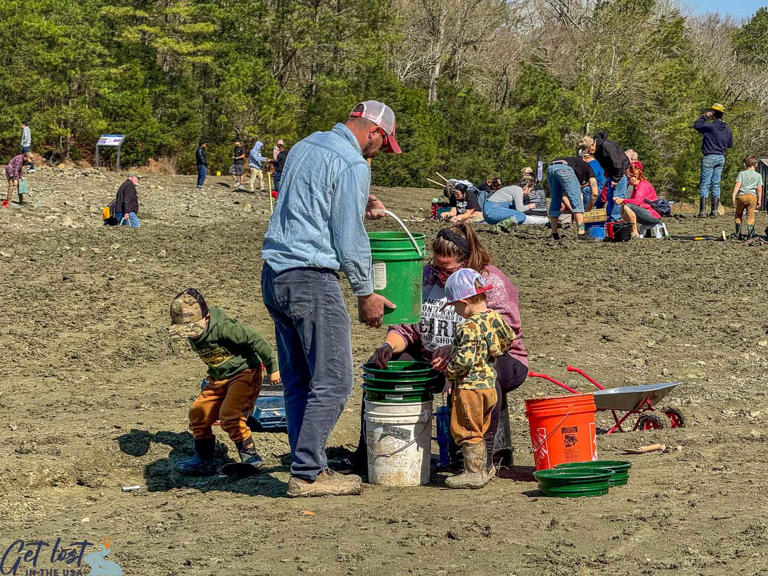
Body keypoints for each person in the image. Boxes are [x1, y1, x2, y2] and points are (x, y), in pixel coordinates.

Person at [261, 100, 401, 498]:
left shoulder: (307, 145)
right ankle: (307, 473)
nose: (380, 154)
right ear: (374, 131)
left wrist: (361, 203)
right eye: (384, 145)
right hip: (310, 277)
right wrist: (365, 292)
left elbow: (308, 202)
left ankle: (310, 463)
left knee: (298, 380)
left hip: (274, 273)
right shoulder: (354, 163)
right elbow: (349, 239)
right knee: (336, 378)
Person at [356, 224, 528, 475]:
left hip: (499, 359)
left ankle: (480, 462)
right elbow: (407, 328)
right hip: (435, 359)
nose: (440, 275)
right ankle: (368, 457)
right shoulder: (426, 277)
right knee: (384, 370)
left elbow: (504, 334)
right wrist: (388, 346)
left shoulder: (490, 282)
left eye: (447, 270)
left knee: (479, 374)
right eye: (436, 267)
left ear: (467, 260)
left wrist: (456, 349)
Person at [168, 289, 281, 475]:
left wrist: (273, 368)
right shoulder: (192, 332)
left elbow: (256, 339)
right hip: (219, 377)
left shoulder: (224, 328)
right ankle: (204, 459)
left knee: (230, 415)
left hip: (245, 373)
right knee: (198, 413)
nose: (190, 334)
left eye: (193, 329)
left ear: (207, 318)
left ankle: (251, 456)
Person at [441, 269, 516, 489]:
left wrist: (449, 373)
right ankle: (484, 469)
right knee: (481, 427)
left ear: (465, 302)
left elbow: (463, 360)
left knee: (467, 429)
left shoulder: (467, 327)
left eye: (455, 305)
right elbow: (509, 339)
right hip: (489, 385)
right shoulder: (494, 318)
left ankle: (474, 473)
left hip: (469, 387)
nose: (455, 310)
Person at [694, 103, 734, 218]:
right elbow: (730, 144)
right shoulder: (728, 129)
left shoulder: (710, 126)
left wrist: (705, 116)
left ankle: (702, 211)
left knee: (705, 183)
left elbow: (696, 125)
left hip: (709, 156)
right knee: (716, 184)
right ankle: (714, 210)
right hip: (721, 156)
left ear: (713, 113)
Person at [546, 156, 598, 240]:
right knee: (577, 201)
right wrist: (589, 207)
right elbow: (595, 193)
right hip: (564, 169)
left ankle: (554, 233)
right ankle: (581, 233)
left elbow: (563, 194)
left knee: (555, 200)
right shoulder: (588, 168)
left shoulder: (575, 164)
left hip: (550, 168)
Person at [614, 164, 661, 238]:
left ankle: (634, 231)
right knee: (623, 207)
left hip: (653, 215)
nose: (628, 180)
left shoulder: (643, 185)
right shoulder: (636, 186)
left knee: (627, 206)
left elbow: (637, 202)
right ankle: (630, 229)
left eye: (629, 178)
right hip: (645, 212)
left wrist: (623, 200)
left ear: (635, 177)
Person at [483, 179, 549, 231]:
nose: (529, 193)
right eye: (530, 190)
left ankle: (501, 227)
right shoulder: (518, 190)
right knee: (521, 216)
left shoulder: (513, 189)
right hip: (493, 210)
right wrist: (530, 206)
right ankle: (499, 227)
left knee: (516, 215)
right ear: (526, 187)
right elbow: (520, 209)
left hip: (488, 215)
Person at [593, 132, 630, 222]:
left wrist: (616, 179)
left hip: (619, 174)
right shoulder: (598, 151)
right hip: (612, 175)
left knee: (617, 197)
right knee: (609, 196)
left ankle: (615, 219)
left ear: (594, 143)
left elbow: (617, 163)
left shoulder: (607, 146)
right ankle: (609, 218)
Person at [732, 155, 764, 239]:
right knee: (751, 215)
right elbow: (759, 189)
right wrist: (759, 200)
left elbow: (737, 185)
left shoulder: (741, 173)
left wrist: (734, 195)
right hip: (752, 196)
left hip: (741, 196)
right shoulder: (758, 175)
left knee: (738, 214)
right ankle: (750, 234)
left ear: (745, 164)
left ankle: (738, 234)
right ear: (756, 164)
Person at [578, 137, 606, 207]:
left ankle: (586, 209)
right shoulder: (596, 162)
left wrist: (580, 186)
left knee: (586, 190)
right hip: (600, 187)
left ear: (585, 158)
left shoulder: (592, 164)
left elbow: (591, 180)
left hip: (600, 187)